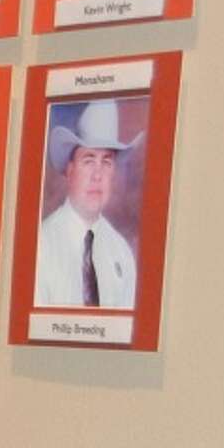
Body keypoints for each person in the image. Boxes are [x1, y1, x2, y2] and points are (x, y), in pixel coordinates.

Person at [34, 98, 141, 309]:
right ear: (70, 169)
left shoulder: (121, 252)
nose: (97, 175)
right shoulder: (41, 246)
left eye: (106, 162)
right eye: (89, 160)